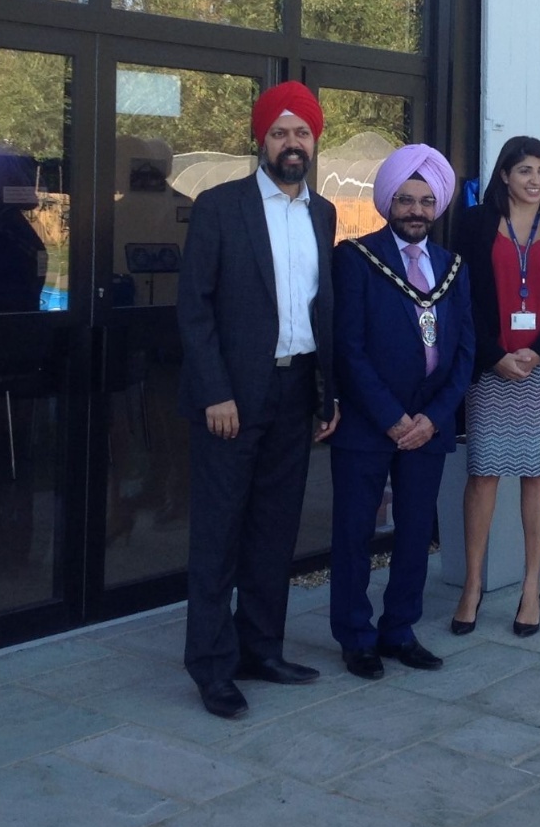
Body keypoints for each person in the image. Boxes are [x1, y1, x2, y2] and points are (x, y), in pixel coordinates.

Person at [177, 82, 339, 719]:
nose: (292, 144)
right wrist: (216, 391)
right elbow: (195, 310)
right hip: (233, 398)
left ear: (314, 140)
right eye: (280, 132)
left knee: (275, 531)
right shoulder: (221, 207)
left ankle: (260, 649)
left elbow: (319, 308)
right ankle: (212, 666)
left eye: (302, 133)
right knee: (219, 535)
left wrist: (329, 392)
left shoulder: (322, 213)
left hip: (295, 389)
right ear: (261, 140)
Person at [330, 144, 474, 679]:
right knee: (353, 535)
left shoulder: (453, 267)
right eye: (406, 200)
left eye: (426, 201)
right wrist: (392, 417)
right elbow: (349, 349)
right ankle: (356, 636)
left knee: (416, 531)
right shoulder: (356, 258)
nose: (416, 210)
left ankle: (399, 629)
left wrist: (434, 418)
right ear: (389, 201)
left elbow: (464, 352)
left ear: (437, 207)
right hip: (371, 425)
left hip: (428, 427)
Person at [450, 137, 540, 638]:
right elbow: (458, 296)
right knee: (484, 475)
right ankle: (472, 585)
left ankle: (532, 587)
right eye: (524, 170)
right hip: (491, 370)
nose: (535, 180)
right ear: (504, 175)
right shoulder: (473, 224)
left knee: (535, 474)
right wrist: (493, 355)